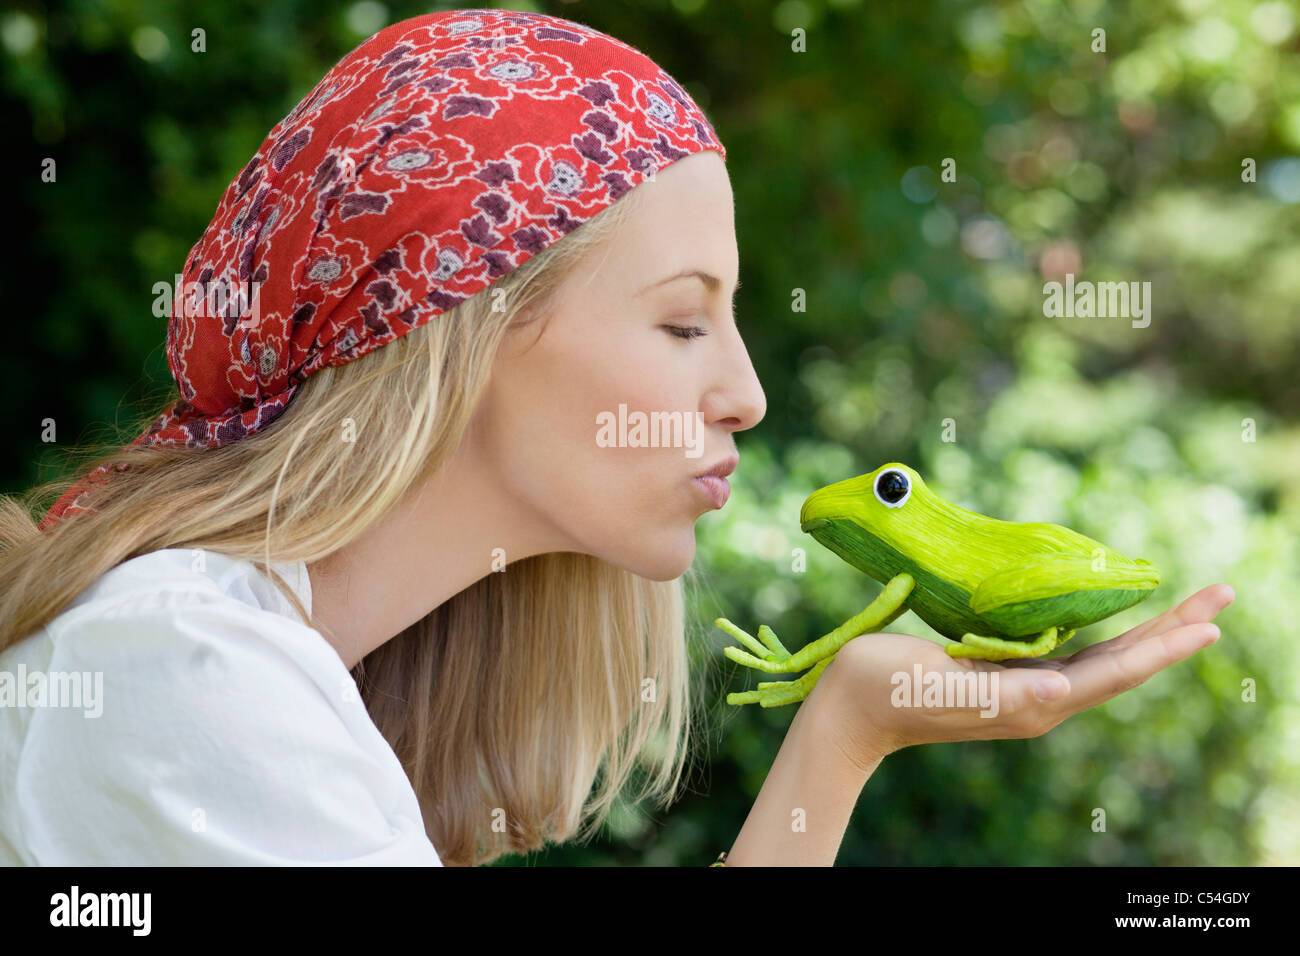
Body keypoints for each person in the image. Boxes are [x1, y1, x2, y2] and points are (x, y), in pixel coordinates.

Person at [0, 9, 1232, 867]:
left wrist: (848, 726)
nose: (745, 392)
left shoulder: (238, 659)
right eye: (683, 320)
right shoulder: (185, 671)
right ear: (462, 326)